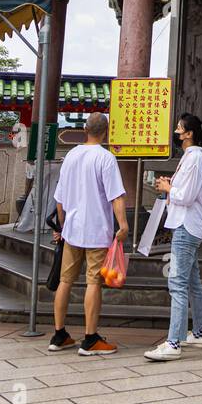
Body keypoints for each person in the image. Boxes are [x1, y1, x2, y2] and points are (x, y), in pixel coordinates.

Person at [49, 111, 128, 356]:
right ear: (106, 131)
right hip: (96, 230)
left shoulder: (71, 155)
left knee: (65, 280)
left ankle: (59, 334)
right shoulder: (106, 158)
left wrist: (61, 228)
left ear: (85, 129)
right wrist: (123, 225)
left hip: (72, 229)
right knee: (93, 281)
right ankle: (91, 338)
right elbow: (116, 196)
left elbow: (59, 200)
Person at [144, 113, 202, 362]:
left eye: (179, 128)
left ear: (189, 134)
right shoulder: (191, 159)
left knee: (178, 283)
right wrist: (170, 185)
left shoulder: (194, 159)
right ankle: (199, 331)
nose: (176, 131)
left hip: (186, 225)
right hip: (186, 224)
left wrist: (169, 188)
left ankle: (174, 342)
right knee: (191, 280)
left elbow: (187, 195)